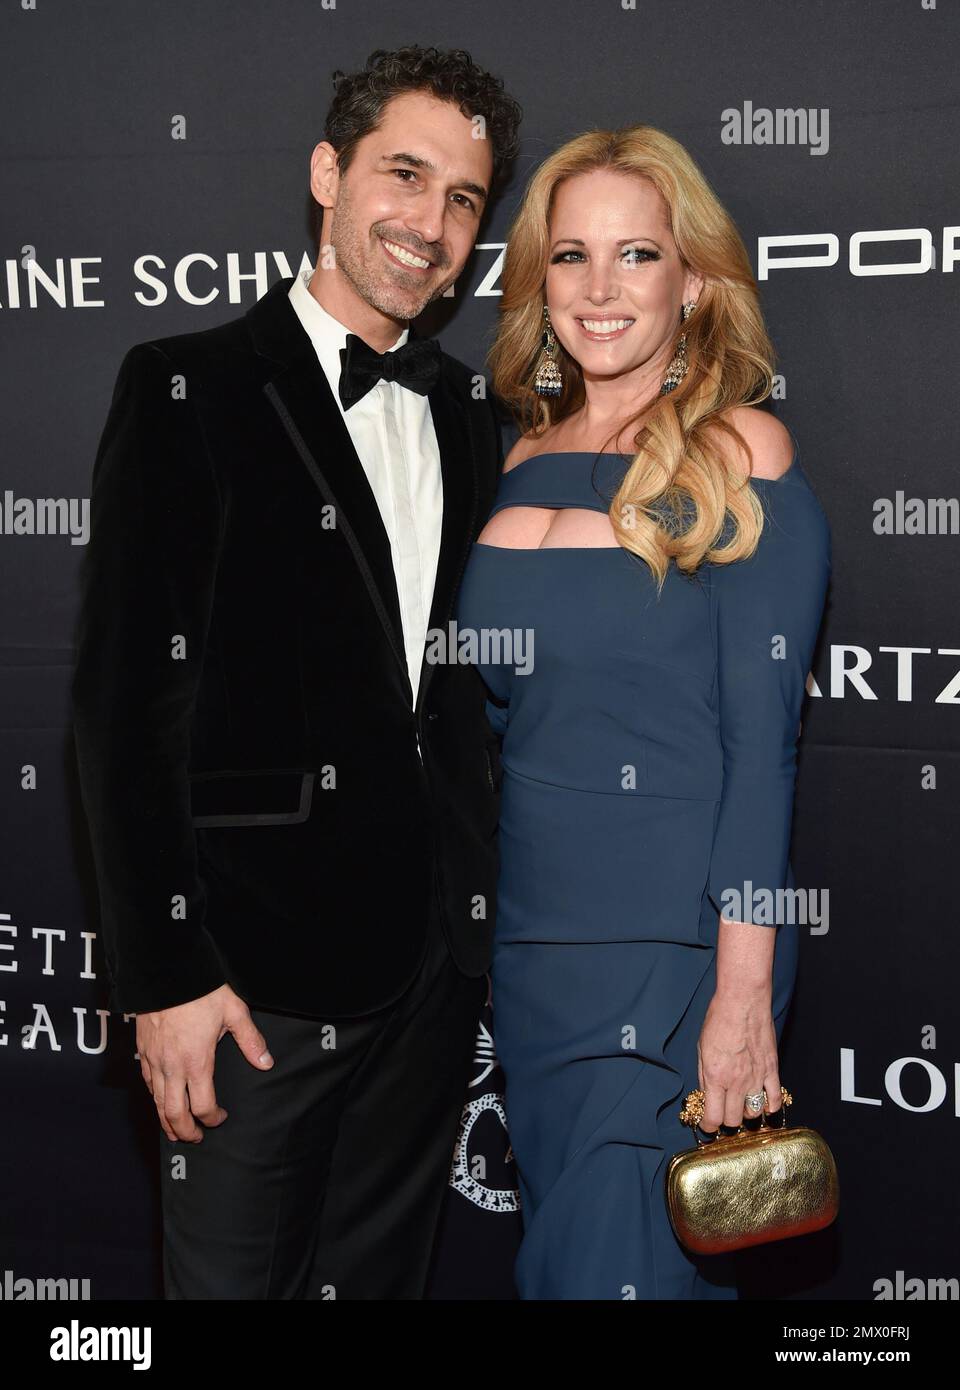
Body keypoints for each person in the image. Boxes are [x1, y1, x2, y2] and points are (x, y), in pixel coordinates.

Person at [70, 45, 522, 1299]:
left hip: (433, 974)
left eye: (466, 199)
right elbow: (122, 710)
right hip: (249, 987)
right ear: (328, 173)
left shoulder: (471, 416)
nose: (430, 225)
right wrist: (164, 979)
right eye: (405, 174)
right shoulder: (187, 387)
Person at [456, 124, 832, 1300]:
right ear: (538, 281)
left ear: (696, 280)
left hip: (679, 957)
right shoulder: (518, 459)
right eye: (572, 256)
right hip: (532, 952)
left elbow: (762, 752)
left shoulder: (740, 453)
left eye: (637, 255)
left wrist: (739, 996)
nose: (601, 289)